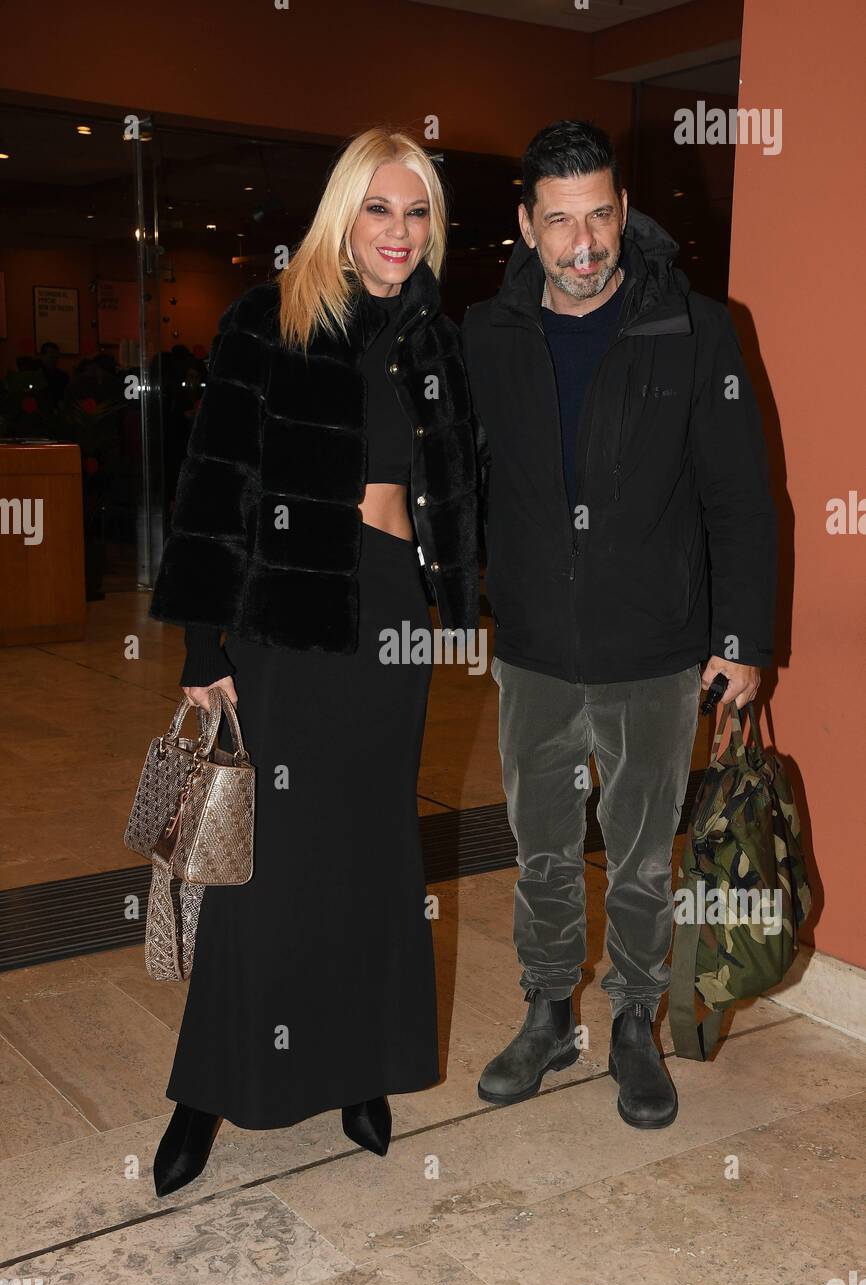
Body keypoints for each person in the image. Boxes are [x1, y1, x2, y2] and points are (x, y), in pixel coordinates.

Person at [146, 127, 479, 1195]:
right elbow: (209, 486)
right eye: (378, 208)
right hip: (282, 618)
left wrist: (457, 603)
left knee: (374, 850)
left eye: (416, 211)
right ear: (342, 215)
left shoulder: (436, 340)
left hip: (391, 621)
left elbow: (459, 491)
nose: (397, 231)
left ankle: (360, 1070)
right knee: (259, 860)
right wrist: (204, 646)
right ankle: (204, 1091)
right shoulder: (271, 317)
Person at [461, 120, 777, 1129]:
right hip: (537, 652)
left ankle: (633, 1022)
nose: (583, 240)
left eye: (599, 213)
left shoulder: (696, 327)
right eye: (559, 221)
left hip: (653, 651)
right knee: (543, 851)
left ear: (622, 210)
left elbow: (739, 496)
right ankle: (549, 1009)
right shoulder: (485, 336)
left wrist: (742, 637)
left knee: (640, 858)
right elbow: (457, 481)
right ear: (524, 225)